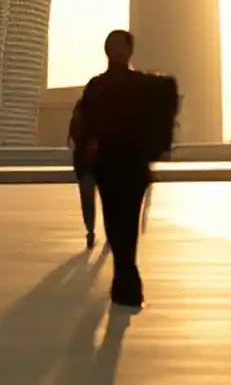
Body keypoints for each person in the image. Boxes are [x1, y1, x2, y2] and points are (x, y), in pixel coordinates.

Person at [75, 30, 161, 309]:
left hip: (132, 167)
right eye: (112, 47)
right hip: (109, 167)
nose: (117, 52)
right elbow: (84, 124)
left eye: (121, 47)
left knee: (128, 226)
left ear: (129, 51)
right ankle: (125, 280)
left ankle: (127, 282)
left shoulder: (141, 86)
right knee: (115, 226)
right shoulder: (96, 86)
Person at [67, 100, 98, 249]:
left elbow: (72, 139)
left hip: (84, 165)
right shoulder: (105, 110)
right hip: (101, 163)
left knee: (87, 201)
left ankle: (90, 231)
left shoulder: (79, 110)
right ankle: (108, 233)